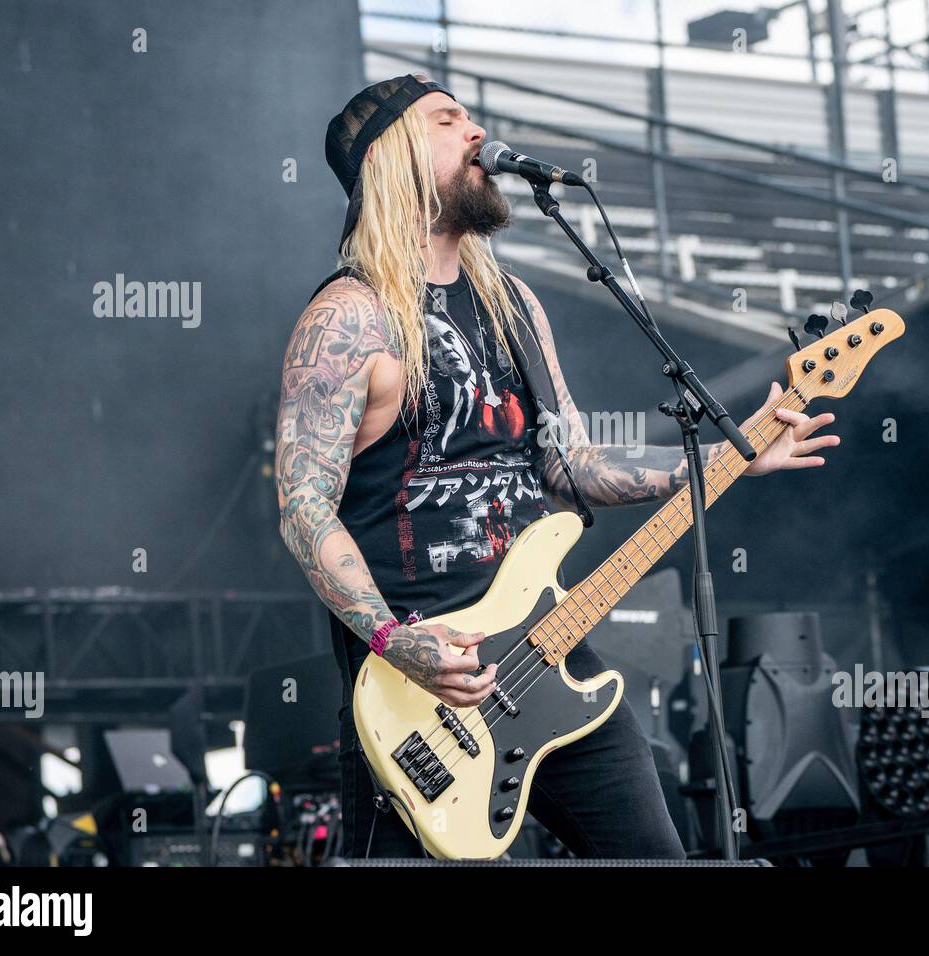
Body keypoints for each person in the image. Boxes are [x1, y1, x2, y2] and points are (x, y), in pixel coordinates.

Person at [275, 73, 840, 859]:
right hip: (420, 693)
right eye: (448, 120)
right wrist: (396, 641)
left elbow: (571, 464)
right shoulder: (347, 318)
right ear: (393, 160)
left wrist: (731, 456)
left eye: (471, 115)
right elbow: (304, 505)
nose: (476, 132)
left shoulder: (514, 305)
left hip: (552, 655)